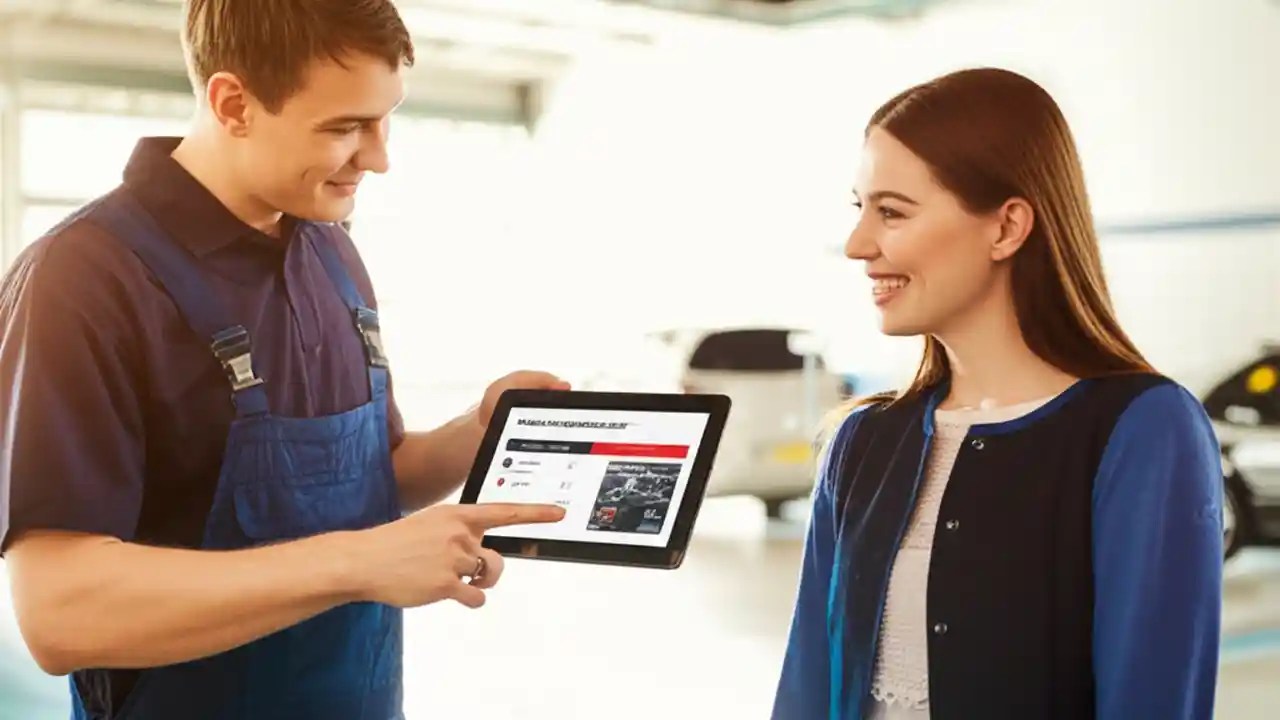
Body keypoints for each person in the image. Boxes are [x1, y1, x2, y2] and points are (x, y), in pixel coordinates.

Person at [0, 1, 569, 718]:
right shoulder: (83, 280)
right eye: (344, 128)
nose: (380, 157)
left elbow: (369, 478)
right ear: (233, 103)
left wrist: (477, 429)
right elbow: (60, 613)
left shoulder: (329, 250)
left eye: (385, 115)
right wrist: (360, 564)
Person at [771, 68, 1223, 720]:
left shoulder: (1142, 428)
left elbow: (1154, 699)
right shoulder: (860, 441)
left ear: (1007, 228)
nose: (857, 244)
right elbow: (806, 691)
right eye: (859, 209)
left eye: (892, 211)